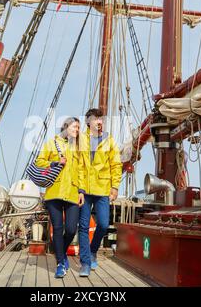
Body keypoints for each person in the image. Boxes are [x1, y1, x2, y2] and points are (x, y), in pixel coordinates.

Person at [35, 117, 84, 278]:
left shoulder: (79, 148)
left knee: (71, 229)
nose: (76, 130)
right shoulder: (51, 143)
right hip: (54, 192)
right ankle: (61, 263)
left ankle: (60, 253)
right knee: (57, 228)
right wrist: (56, 162)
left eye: (78, 128)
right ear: (66, 127)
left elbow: (83, 171)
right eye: (74, 127)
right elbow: (39, 161)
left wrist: (82, 191)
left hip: (72, 192)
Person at [77, 108, 122, 277]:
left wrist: (115, 186)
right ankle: (85, 263)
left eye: (101, 118)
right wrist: (79, 189)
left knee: (103, 224)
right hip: (84, 189)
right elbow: (78, 165)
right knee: (83, 226)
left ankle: (93, 250)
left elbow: (116, 165)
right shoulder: (80, 140)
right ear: (88, 121)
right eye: (96, 118)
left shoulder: (109, 140)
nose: (99, 121)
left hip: (103, 188)